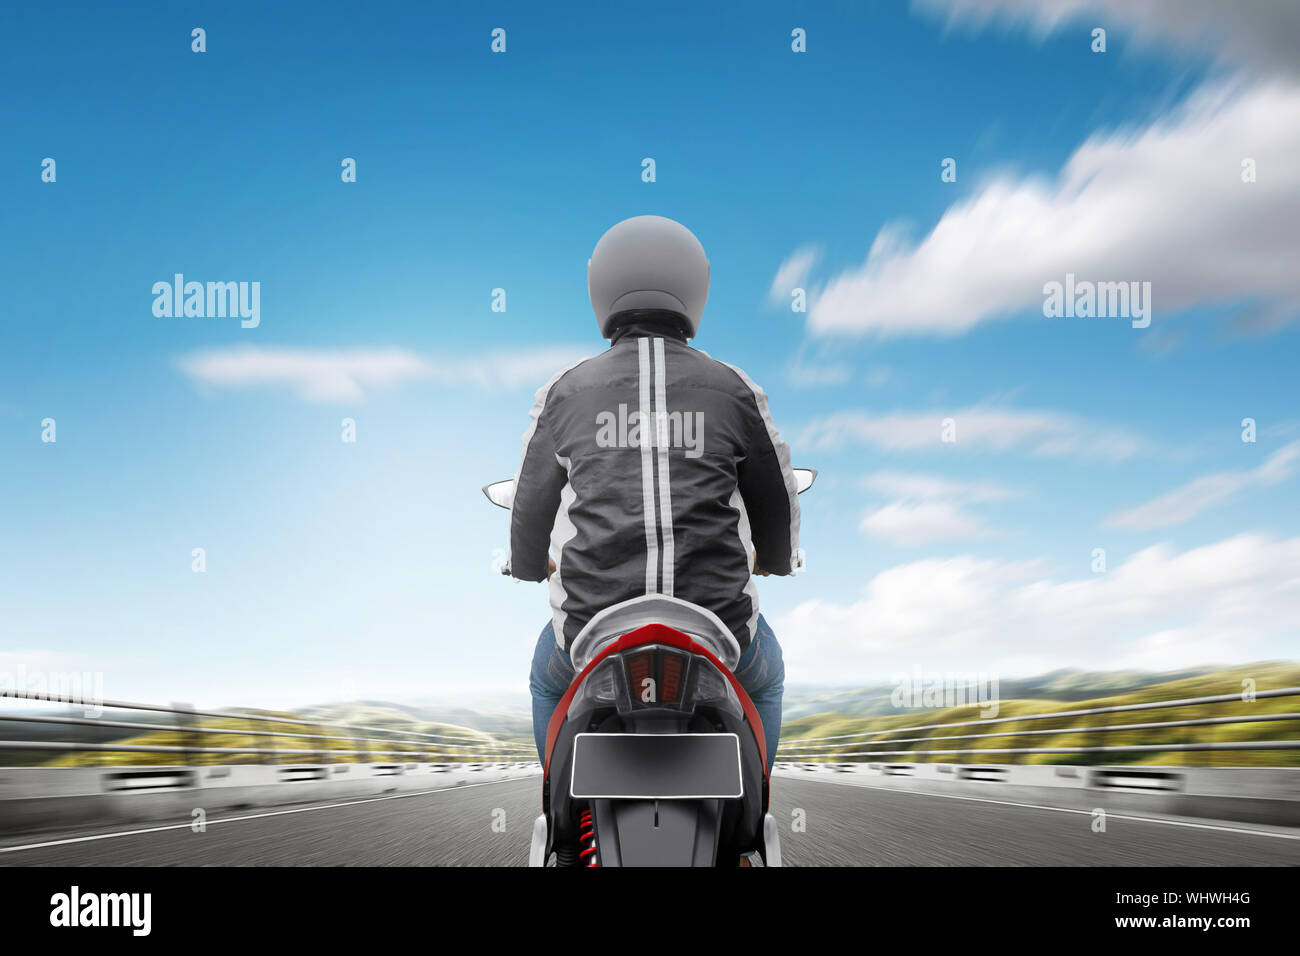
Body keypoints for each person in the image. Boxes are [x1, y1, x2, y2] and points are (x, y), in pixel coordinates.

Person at [506, 215, 801, 771]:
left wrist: (527, 566)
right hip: (718, 629)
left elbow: (528, 507)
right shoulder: (735, 388)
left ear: (602, 291)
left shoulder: (563, 392)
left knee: (546, 681)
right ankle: (757, 807)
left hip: (590, 630)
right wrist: (777, 561)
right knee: (770, 675)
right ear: (695, 290)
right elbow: (777, 499)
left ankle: (555, 809)